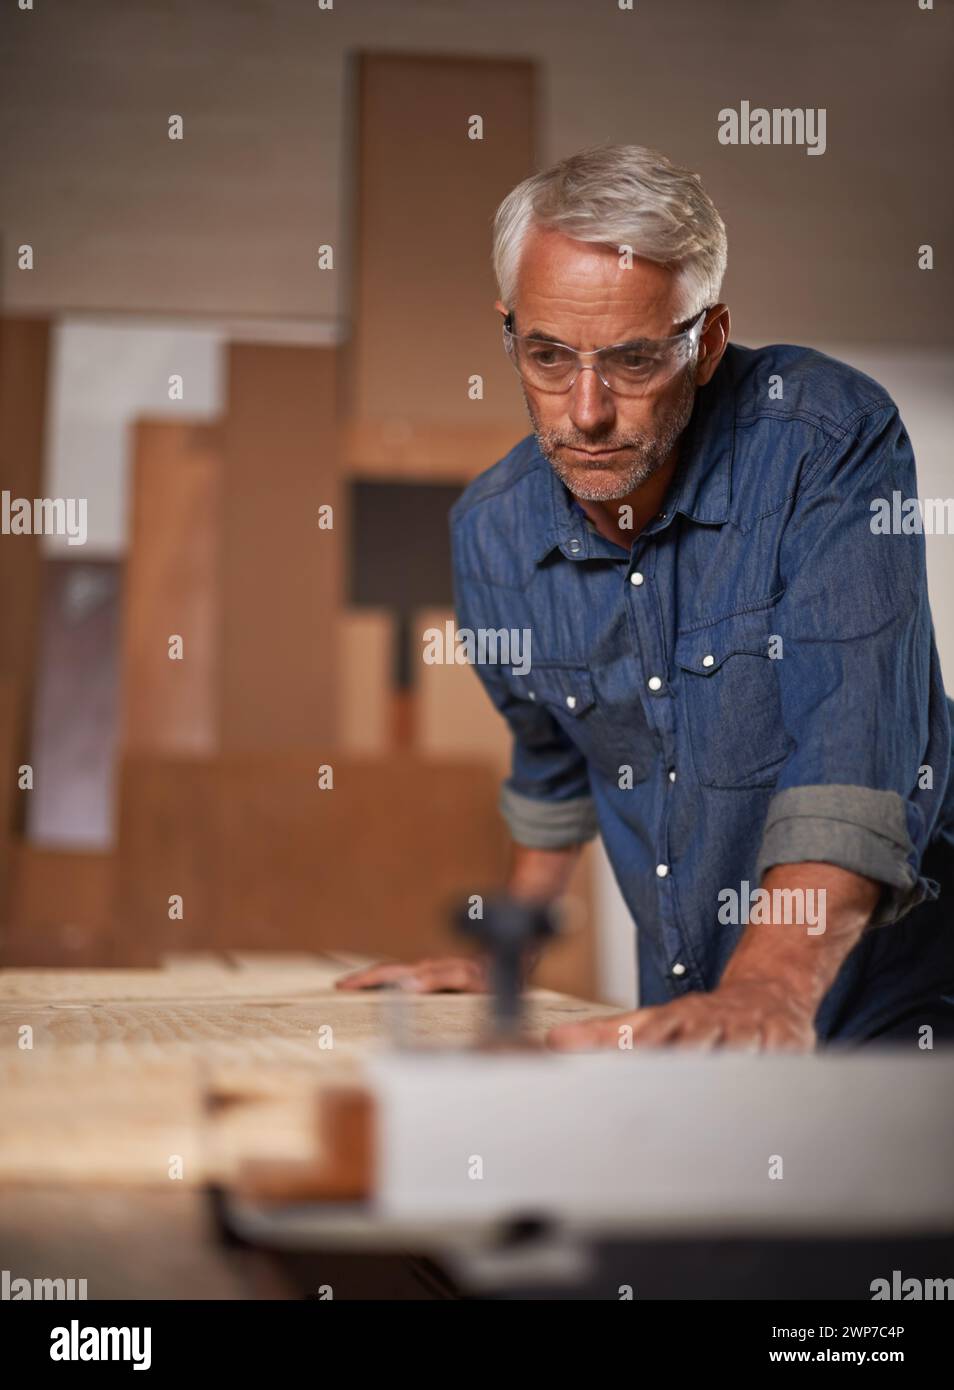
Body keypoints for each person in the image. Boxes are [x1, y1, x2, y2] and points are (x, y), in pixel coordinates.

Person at [338, 144, 954, 1051]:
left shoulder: (827, 439)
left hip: (901, 1007)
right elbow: (552, 766)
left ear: (706, 344)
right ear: (509, 331)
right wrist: (505, 961)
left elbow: (854, 745)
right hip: (688, 1008)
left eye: (632, 362)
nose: (585, 412)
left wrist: (774, 988)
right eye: (547, 356)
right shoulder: (492, 533)